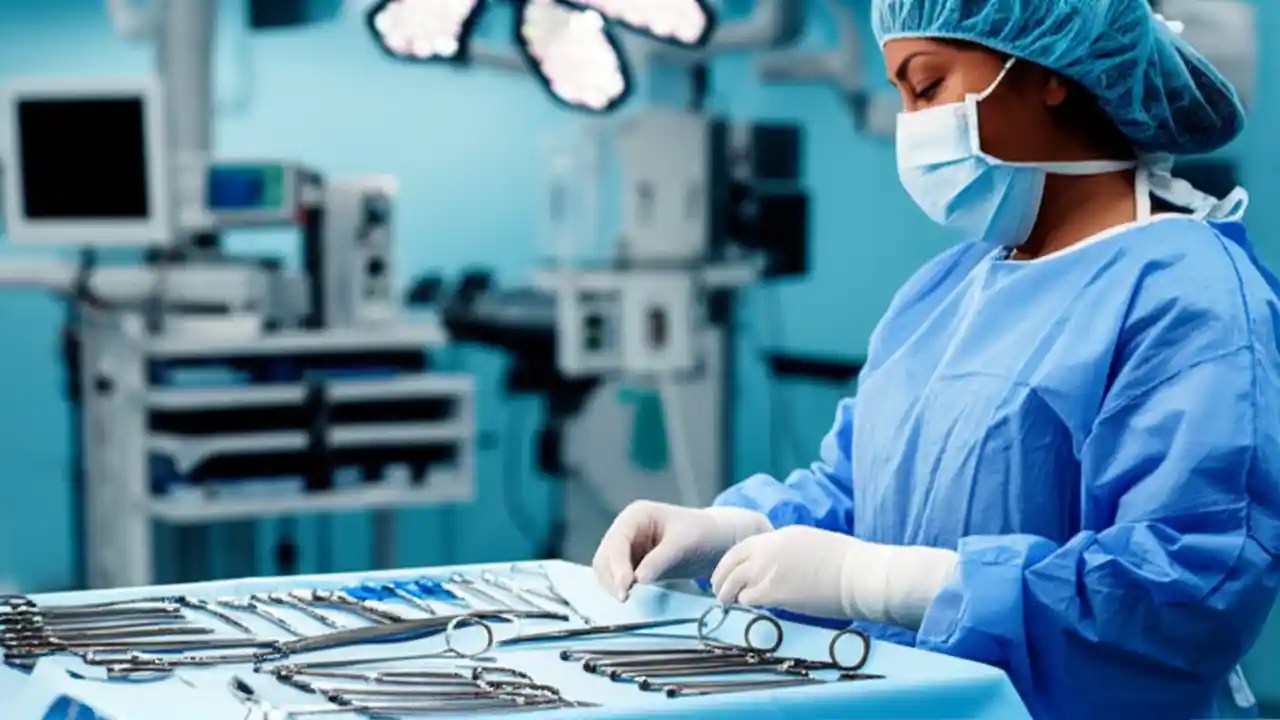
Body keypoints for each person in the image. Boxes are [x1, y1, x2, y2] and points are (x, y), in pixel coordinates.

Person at [591, 1, 1280, 718]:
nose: (912, 124)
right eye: (900, 96)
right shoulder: (948, 289)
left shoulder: (1186, 292)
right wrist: (734, 532)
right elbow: (860, 491)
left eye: (927, 86)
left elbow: (1188, 587)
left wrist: (889, 584)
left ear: (1051, 76)